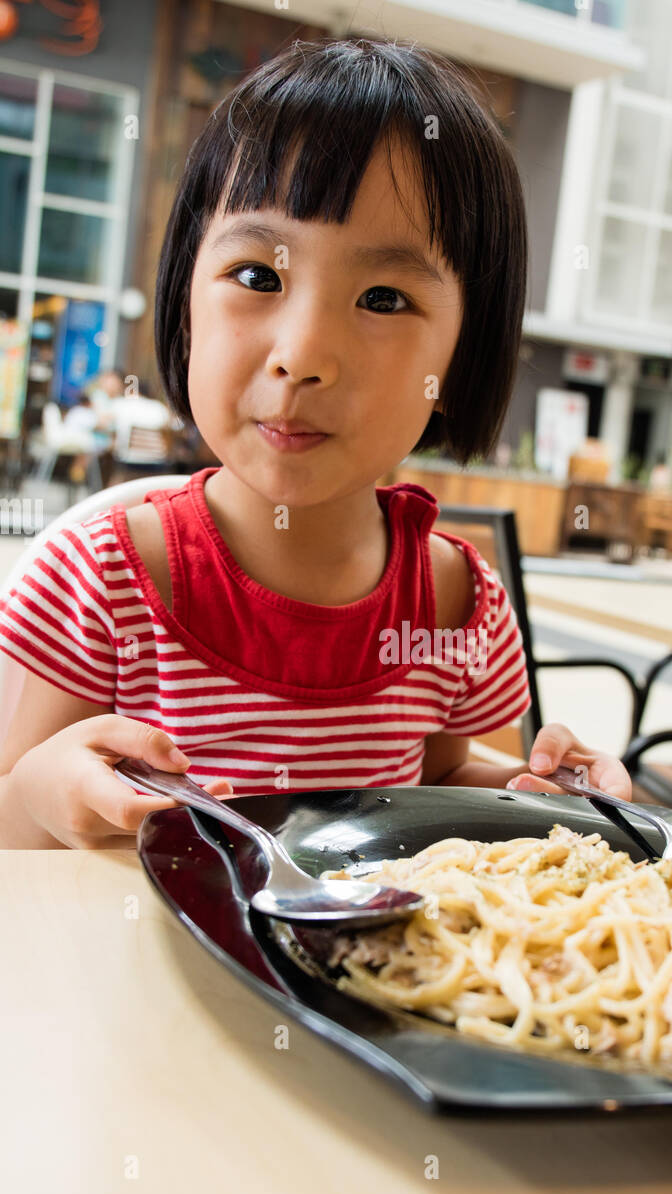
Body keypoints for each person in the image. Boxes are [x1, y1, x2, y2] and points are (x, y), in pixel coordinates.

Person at [0, 36, 630, 850]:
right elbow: (13, 832)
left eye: (382, 296)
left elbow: (441, 788)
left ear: (462, 353)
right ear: (185, 296)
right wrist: (46, 795)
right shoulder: (101, 582)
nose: (303, 353)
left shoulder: (455, 606)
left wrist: (554, 799)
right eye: (259, 276)